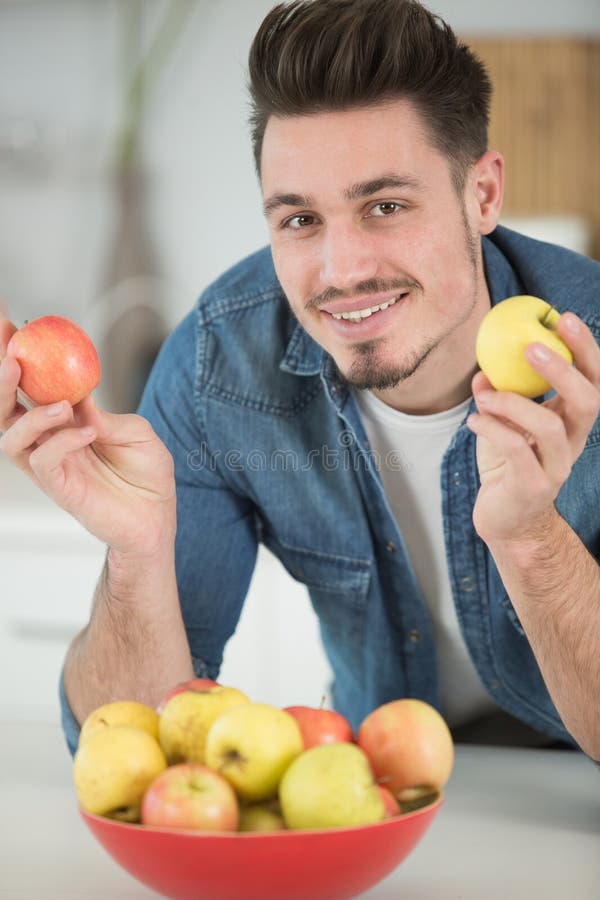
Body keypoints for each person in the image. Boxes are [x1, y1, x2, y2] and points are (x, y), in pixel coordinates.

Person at [0, 0, 599, 760]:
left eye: (385, 206)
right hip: (373, 786)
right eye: (300, 220)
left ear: (481, 195)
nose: (341, 272)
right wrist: (138, 553)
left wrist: (531, 539)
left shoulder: (591, 346)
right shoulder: (217, 369)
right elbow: (131, 745)